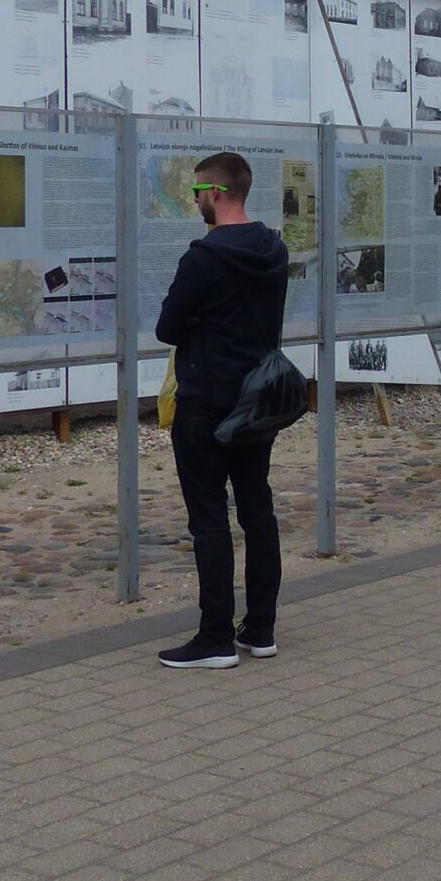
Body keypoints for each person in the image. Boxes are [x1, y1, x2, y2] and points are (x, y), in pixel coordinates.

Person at [153, 151, 290, 670]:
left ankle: (214, 639)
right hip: (259, 401)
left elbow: (168, 327)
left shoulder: (203, 258)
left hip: (205, 403)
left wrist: (198, 326)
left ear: (213, 192)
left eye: (195, 194)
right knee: (257, 510)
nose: (194, 204)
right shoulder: (273, 249)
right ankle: (260, 628)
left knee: (209, 517)